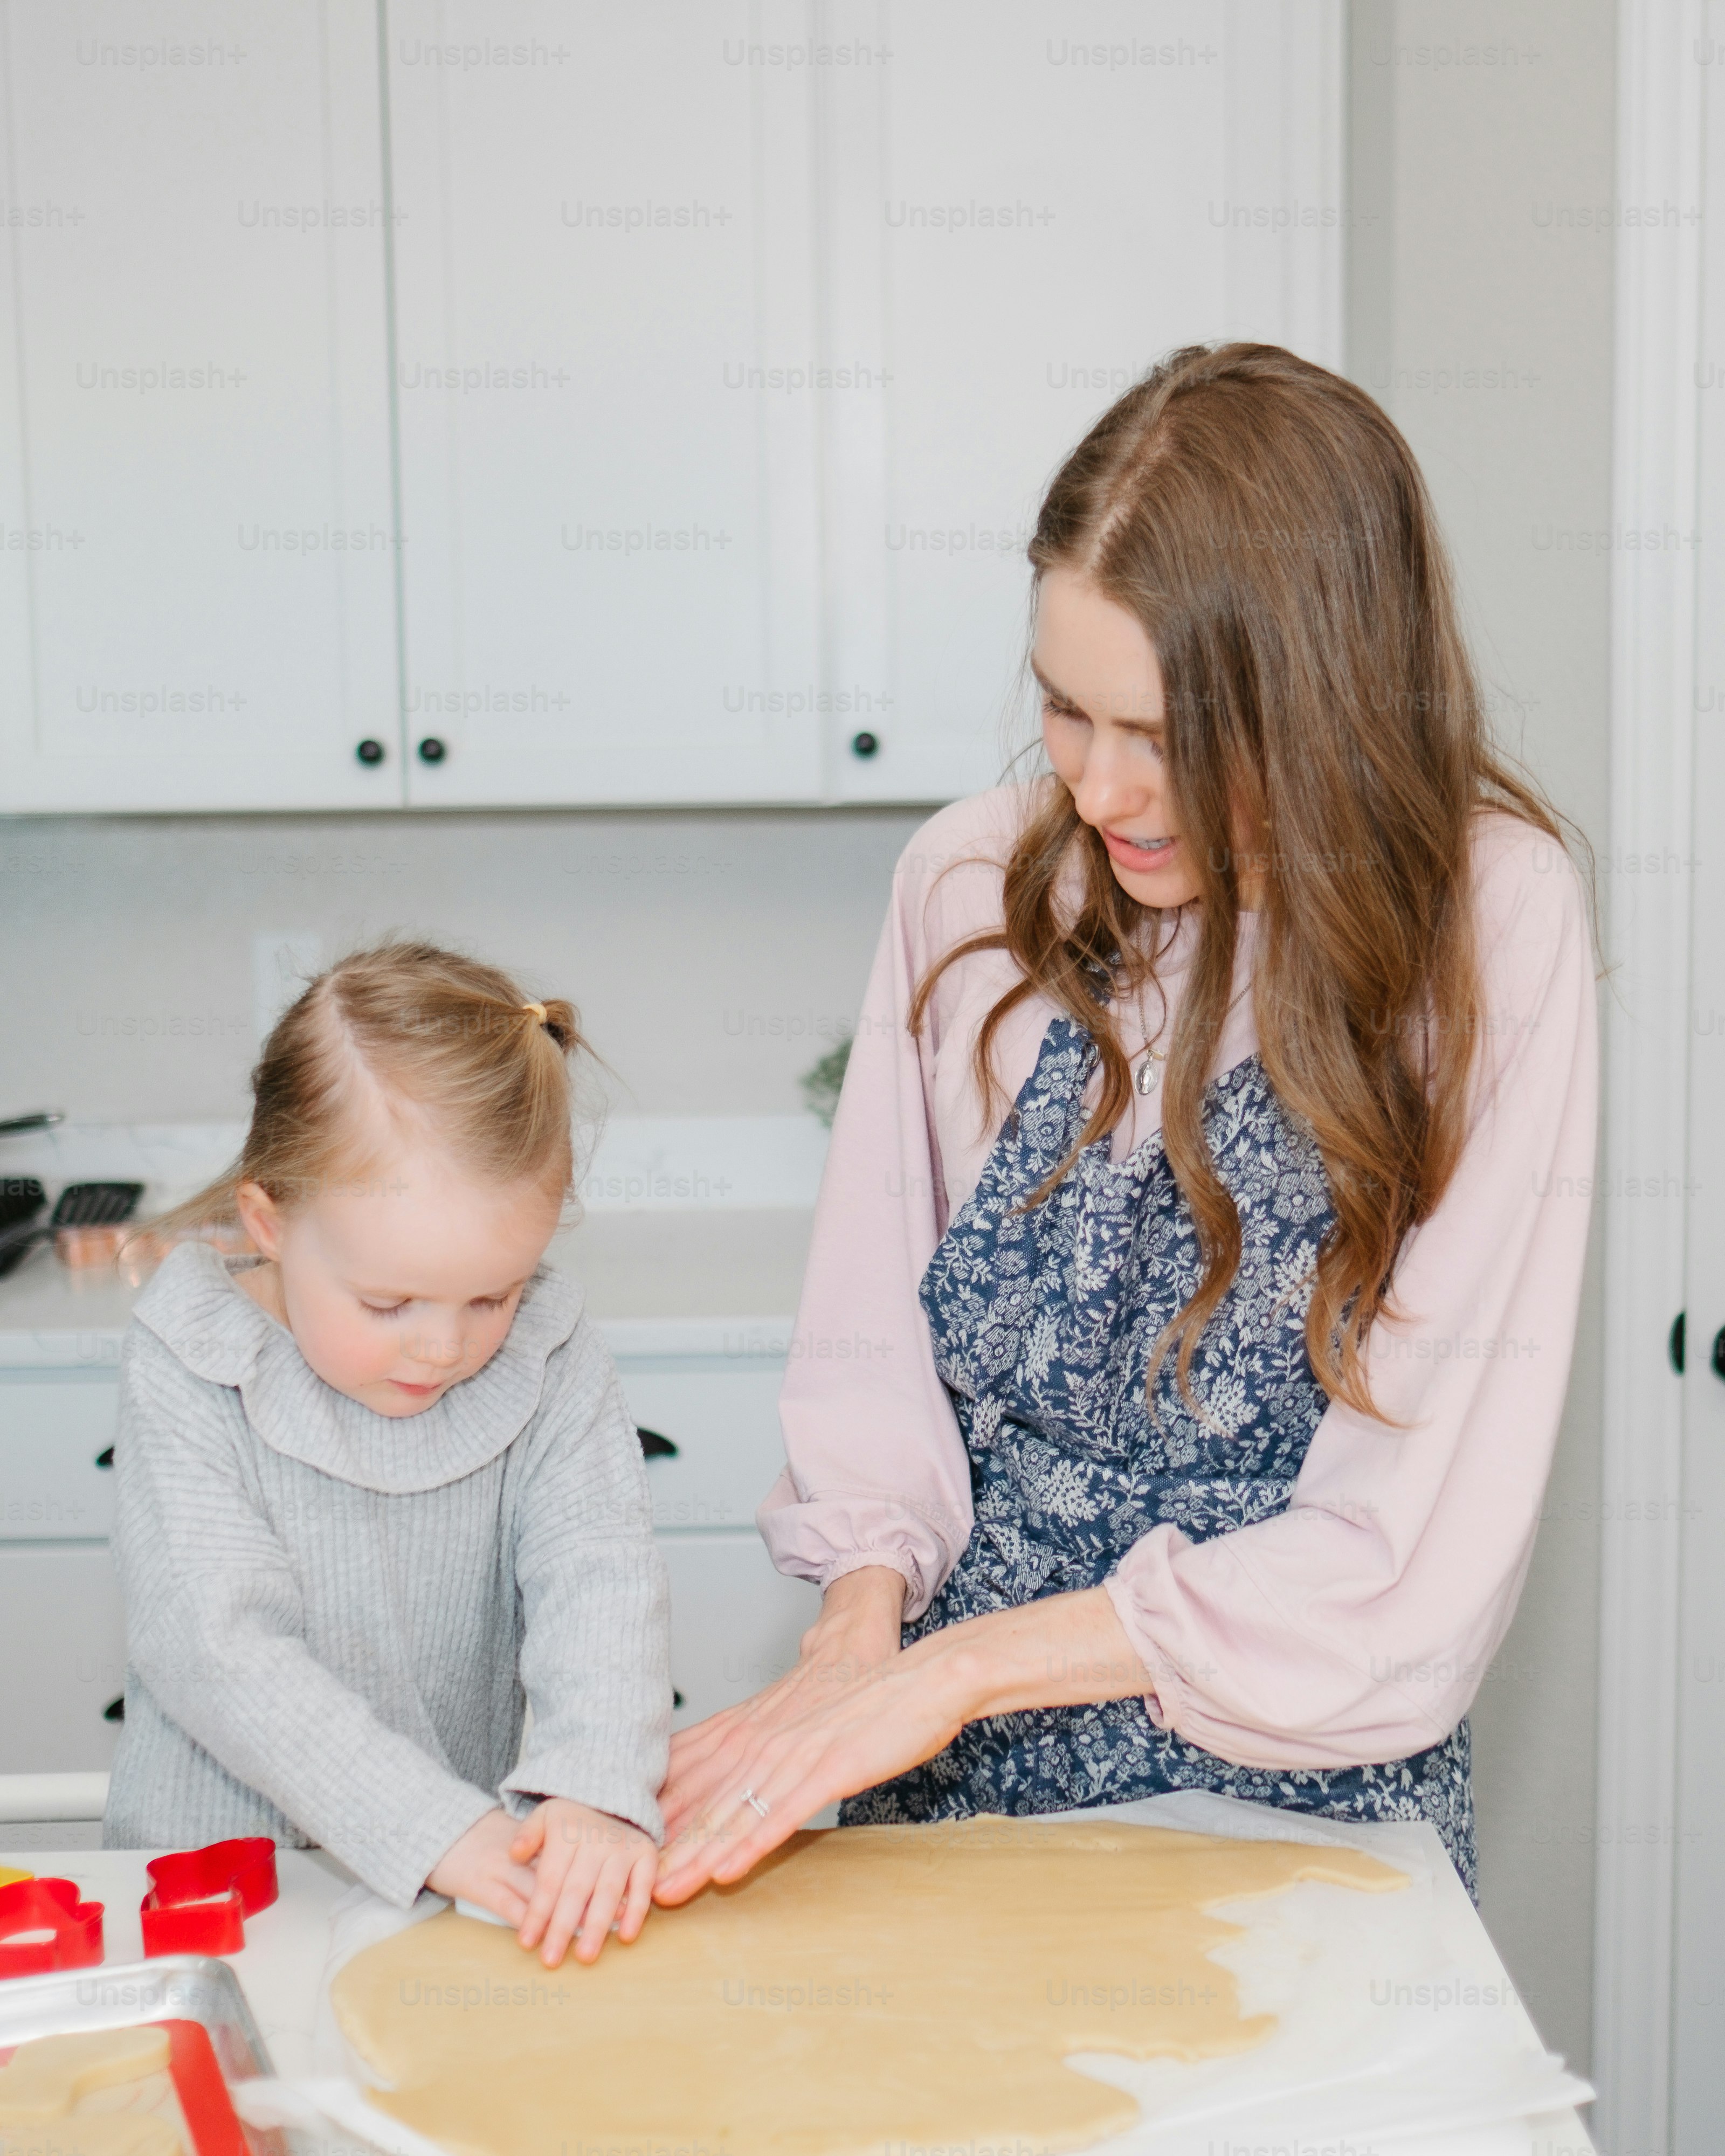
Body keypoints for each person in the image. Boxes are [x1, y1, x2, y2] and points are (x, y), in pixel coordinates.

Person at [656, 342, 1598, 1907]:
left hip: (1301, 1809)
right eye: (1064, 711)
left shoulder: (1490, 926)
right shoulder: (970, 881)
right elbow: (872, 1362)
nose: (1097, 788)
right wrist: (857, 1636)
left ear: (1327, 699)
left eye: (1165, 735)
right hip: (947, 1792)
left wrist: (946, 1679)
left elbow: (1406, 1563)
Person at [104, 942, 669, 1968]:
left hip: (465, 1890)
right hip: (219, 1897)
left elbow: (601, 1583)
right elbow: (220, 1651)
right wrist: (435, 1829)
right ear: (268, 1221)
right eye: (387, 1303)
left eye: (493, 1295)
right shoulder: (188, 1362)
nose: (444, 1346)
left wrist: (591, 1782)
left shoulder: (549, 1355)